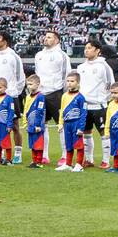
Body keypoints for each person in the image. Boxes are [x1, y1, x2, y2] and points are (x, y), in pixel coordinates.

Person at [0, 32, 26, 164]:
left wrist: (15, 92)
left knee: (14, 126)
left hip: (11, 95)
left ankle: (18, 153)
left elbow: (20, 76)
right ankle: (1, 154)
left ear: (5, 41)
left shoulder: (13, 56)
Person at [34, 31, 71, 164]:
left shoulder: (61, 55)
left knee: (61, 124)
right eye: (45, 37)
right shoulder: (39, 55)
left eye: (49, 37)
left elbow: (67, 74)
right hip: (41, 94)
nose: (46, 39)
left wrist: (65, 93)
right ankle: (44, 154)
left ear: (56, 40)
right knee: (42, 125)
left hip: (56, 93)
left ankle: (65, 154)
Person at [77, 40, 114, 169]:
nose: (86, 50)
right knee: (86, 133)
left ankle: (105, 160)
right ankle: (89, 159)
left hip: (99, 105)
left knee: (104, 132)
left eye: (90, 48)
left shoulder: (104, 66)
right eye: (85, 48)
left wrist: (104, 98)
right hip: (85, 106)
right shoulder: (81, 67)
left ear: (98, 50)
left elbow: (110, 83)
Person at [56, 72, 88, 172]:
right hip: (67, 124)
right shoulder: (64, 96)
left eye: (72, 81)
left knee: (78, 144)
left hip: (76, 123)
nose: (69, 83)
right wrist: (61, 123)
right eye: (68, 81)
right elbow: (62, 110)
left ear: (78, 83)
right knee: (68, 144)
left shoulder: (81, 98)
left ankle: (79, 165)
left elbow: (83, 113)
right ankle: (68, 164)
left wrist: (81, 127)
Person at [0, 78, 16, 165]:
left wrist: (9, 125)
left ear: (5, 88)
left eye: (0, 87)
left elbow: (11, 113)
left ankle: (8, 159)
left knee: (6, 142)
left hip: (4, 125)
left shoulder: (9, 99)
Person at [24, 74, 48, 168]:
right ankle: (33, 161)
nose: (29, 86)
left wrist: (38, 125)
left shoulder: (40, 97)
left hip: (37, 125)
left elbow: (40, 111)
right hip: (30, 124)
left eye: (31, 84)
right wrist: (25, 123)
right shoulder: (28, 97)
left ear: (37, 84)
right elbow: (26, 110)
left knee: (38, 143)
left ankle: (38, 161)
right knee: (32, 144)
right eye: (28, 84)